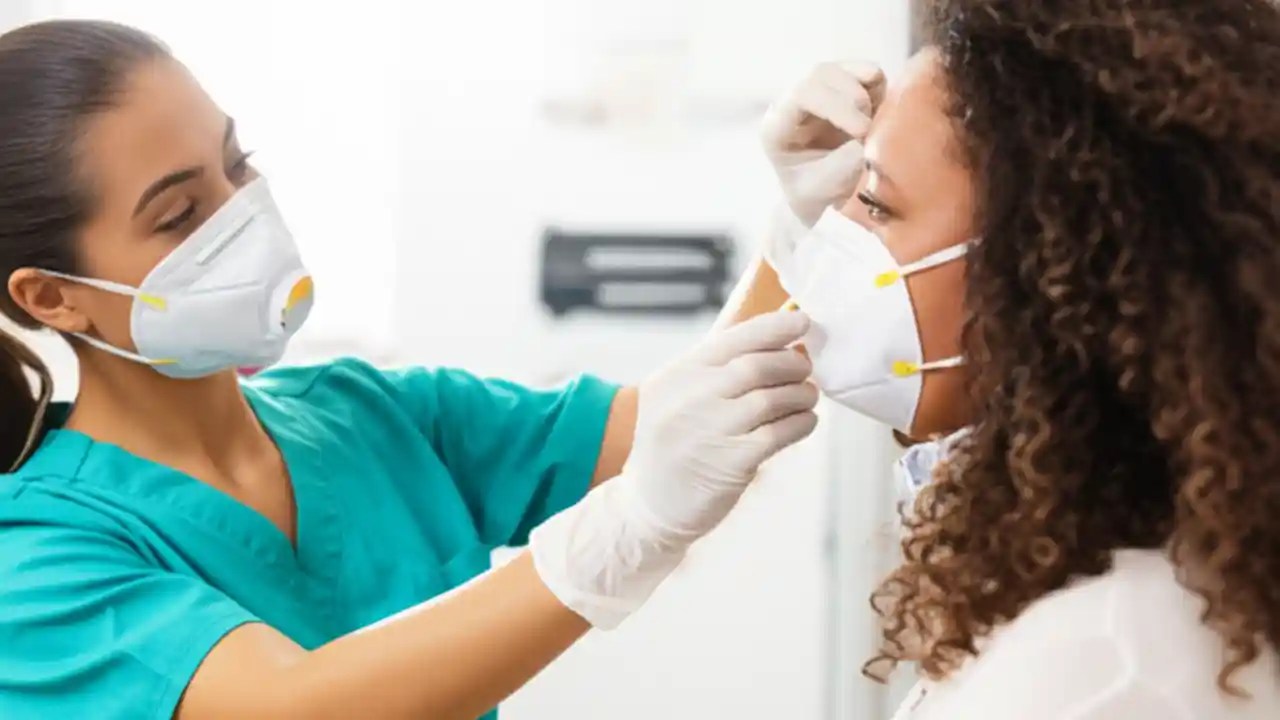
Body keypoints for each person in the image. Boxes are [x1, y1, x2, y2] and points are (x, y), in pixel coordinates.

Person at [0, 20, 829, 719]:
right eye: (180, 215)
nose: (241, 215)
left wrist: (803, 222)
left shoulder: (372, 417)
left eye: (238, 164)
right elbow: (298, 706)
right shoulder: (36, 561)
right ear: (52, 298)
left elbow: (689, 419)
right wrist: (624, 531)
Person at [735, 0, 1280, 717]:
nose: (830, 230)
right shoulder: (1099, 571)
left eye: (871, 202)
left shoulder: (1093, 662)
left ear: (1040, 273)